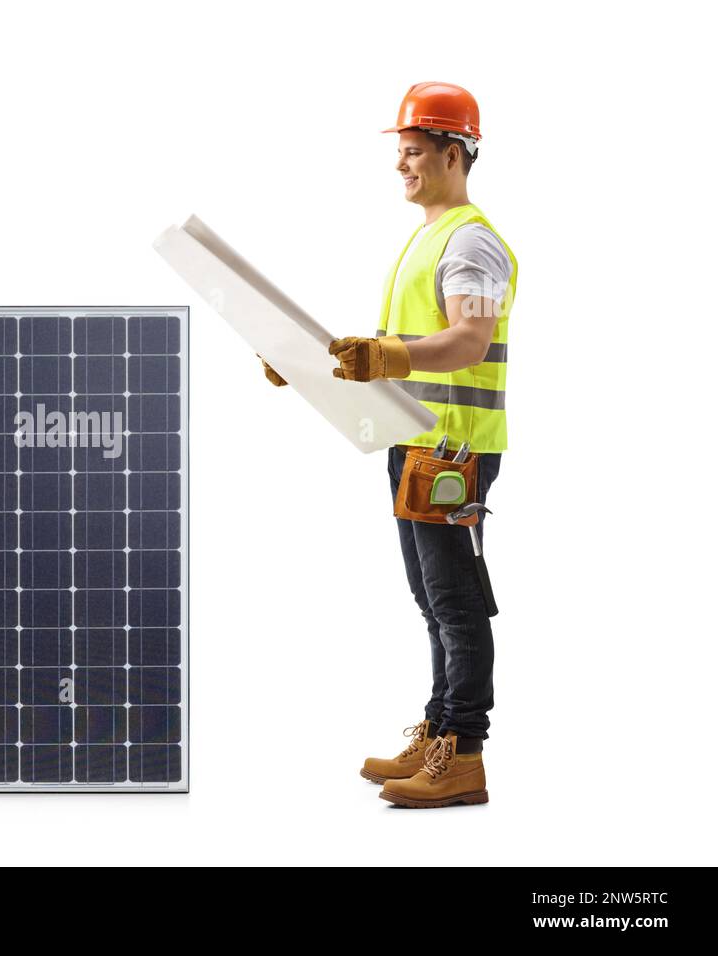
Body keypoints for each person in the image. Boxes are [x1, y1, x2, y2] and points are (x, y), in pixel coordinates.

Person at [264, 82, 516, 808]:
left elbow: (469, 340)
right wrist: (319, 366)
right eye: (399, 153)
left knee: (456, 605)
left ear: (453, 151)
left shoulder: (470, 239)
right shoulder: (431, 235)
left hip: (454, 452)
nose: (401, 165)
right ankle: (439, 729)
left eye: (412, 152)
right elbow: (402, 347)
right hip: (419, 446)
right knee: (434, 603)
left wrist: (387, 358)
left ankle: (462, 752)